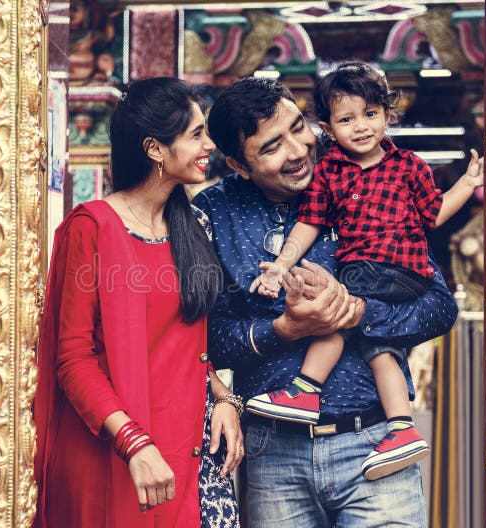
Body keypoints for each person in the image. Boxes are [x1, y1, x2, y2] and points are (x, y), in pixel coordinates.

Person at [192, 76, 458, 527]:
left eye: (300, 128)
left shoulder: (372, 176)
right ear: (238, 164)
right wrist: (285, 329)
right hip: (270, 453)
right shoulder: (214, 213)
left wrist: (359, 314)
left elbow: (438, 306)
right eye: (272, 146)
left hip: (375, 442)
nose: (297, 151)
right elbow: (206, 342)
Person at [246, 62, 484, 480]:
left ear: (388, 114)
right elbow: (310, 223)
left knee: (333, 308)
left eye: (370, 114)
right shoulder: (329, 173)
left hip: (400, 268)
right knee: (380, 347)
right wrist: (282, 263)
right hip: (368, 272)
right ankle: (401, 427)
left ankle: (305, 390)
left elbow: (434, 214)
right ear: (327, 127)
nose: (361, 127)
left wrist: (466, 183)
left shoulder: (409, 165)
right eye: (347, 119)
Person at [34, 77, 242, 528]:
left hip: (191, 454)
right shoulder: (91, 227)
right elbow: (73, 358)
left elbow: (184, 346)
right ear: (154, 148)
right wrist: (134, 442)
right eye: (196, 134)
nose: (209, 144)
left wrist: (225, 400)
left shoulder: (192, 227)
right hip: (121, 450)